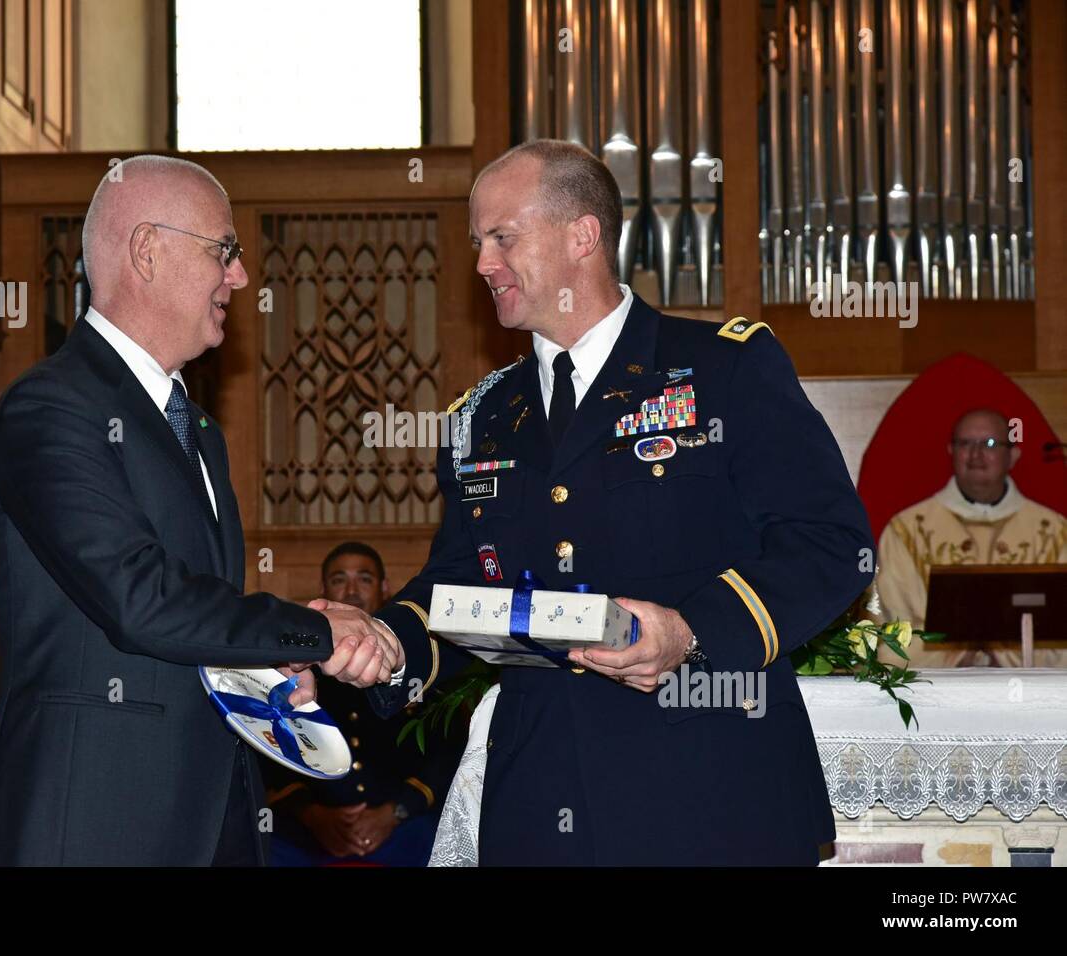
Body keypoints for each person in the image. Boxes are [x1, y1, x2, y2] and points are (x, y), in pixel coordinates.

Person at [366, 139, 875, 865]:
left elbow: (831, 544)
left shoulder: (722, 367)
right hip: (541, 800)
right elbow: (460, 586)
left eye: (502, 237)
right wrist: (389, 643)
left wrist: (692, 631)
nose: (481, 263)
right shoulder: (484, 415)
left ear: (583, 236)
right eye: (478, 241)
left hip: (711, 794)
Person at [0, 156, 402, 866]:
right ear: (147, 250)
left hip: (211, 820)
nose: (240, 276)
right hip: (93, 822)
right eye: (223, 251)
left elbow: (197, 615)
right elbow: (139, 598)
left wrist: (264, 667)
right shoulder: (51, 407)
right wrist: (309, 630)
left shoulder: (195, 428)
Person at [265, 542, 465, 866]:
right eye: (339, 579)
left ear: (385, 588)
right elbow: (271, 752)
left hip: (406, 824)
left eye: (365, 579)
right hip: (308, 829)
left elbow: (448, 750)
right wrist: (314, 816)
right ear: (322, 590)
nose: (352, 590)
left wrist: (395, 812)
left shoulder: (420, 660)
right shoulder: (295, 663)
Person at [876, 407, 1067, 667]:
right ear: (951, 452)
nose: (976, 454)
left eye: (989, 443)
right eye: (965, 443)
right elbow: (891, 632)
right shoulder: (907, 532)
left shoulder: (1054, 533)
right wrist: (960, 653)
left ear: (1013, 455)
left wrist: (1002, 652)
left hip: (1032, 700)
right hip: (935, 699)